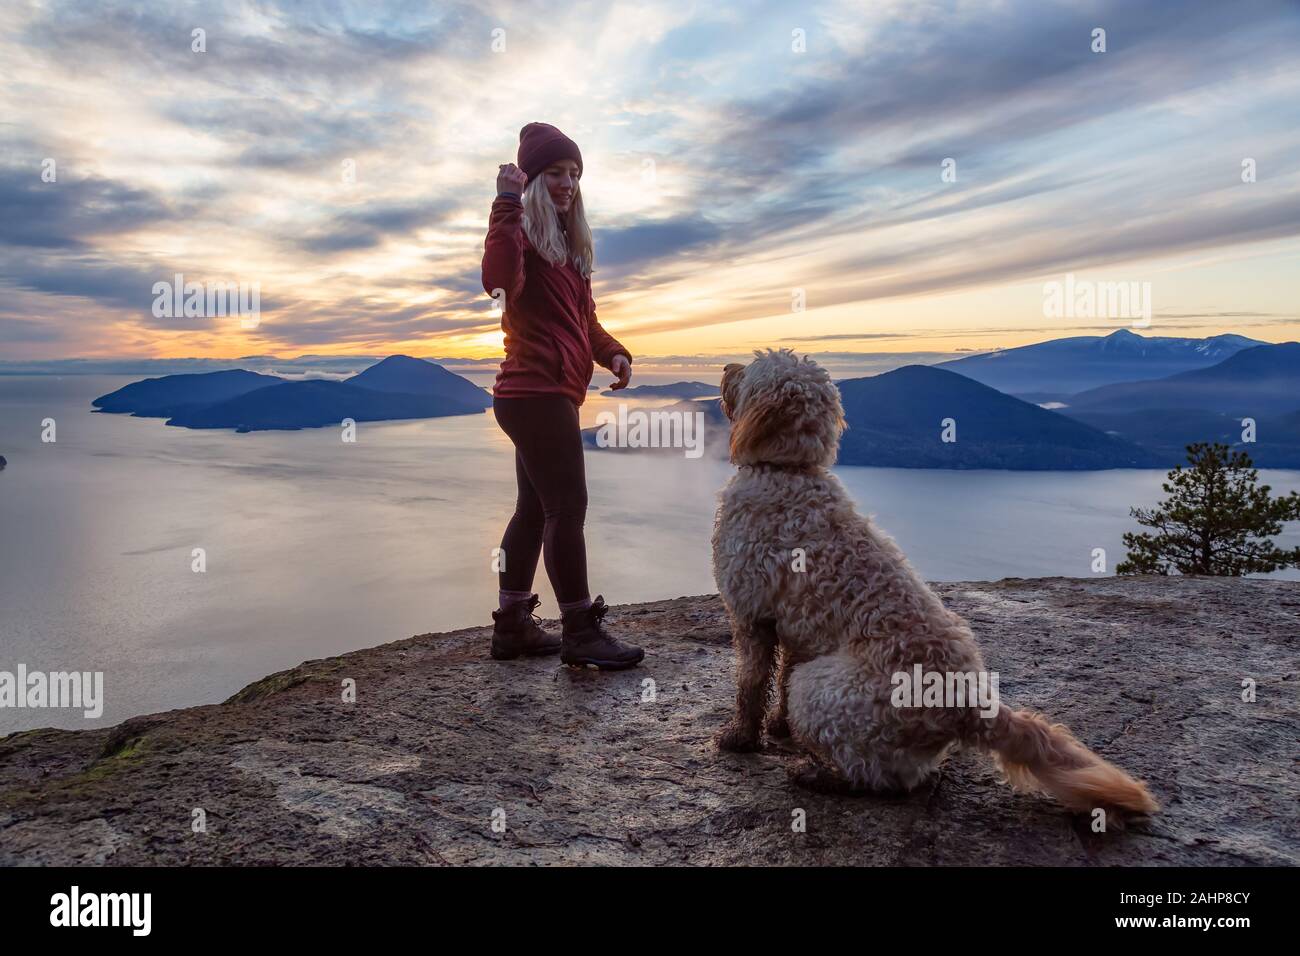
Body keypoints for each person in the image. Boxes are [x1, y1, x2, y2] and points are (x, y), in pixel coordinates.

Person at [481, 122, 645, 670]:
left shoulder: (569, 250)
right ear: (532, 180)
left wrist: (613, 352)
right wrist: (504, 205)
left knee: (534, 511)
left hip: (545, 394)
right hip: (534, 392)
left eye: (574, 174)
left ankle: (513, 629)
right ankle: (579, 630)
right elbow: (497, 280)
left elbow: (586, 323)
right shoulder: (521, 233)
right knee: (567, 507)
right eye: (555, 173)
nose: (568, 182)